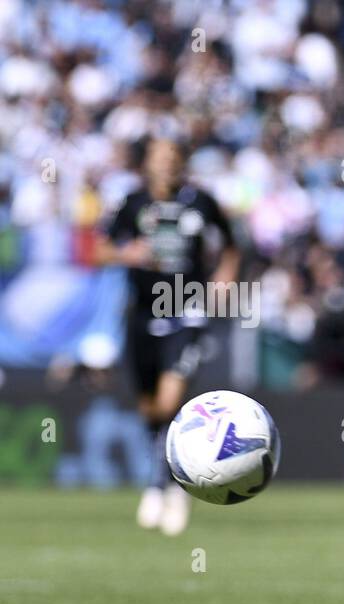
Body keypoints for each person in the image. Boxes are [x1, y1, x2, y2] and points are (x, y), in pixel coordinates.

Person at [100, 137, 239, 535]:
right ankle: (168, 478)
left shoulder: (201, 201)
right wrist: (125, 254)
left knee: (170, 400)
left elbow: (229, 246)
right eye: (161, 158)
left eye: (174, 157)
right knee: (150, 409)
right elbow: (99, 250)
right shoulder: (133, 203)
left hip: (186, 309)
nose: (169, 165)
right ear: (147, 164)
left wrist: (224, 278)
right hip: (142, 314)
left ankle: (161, 485)